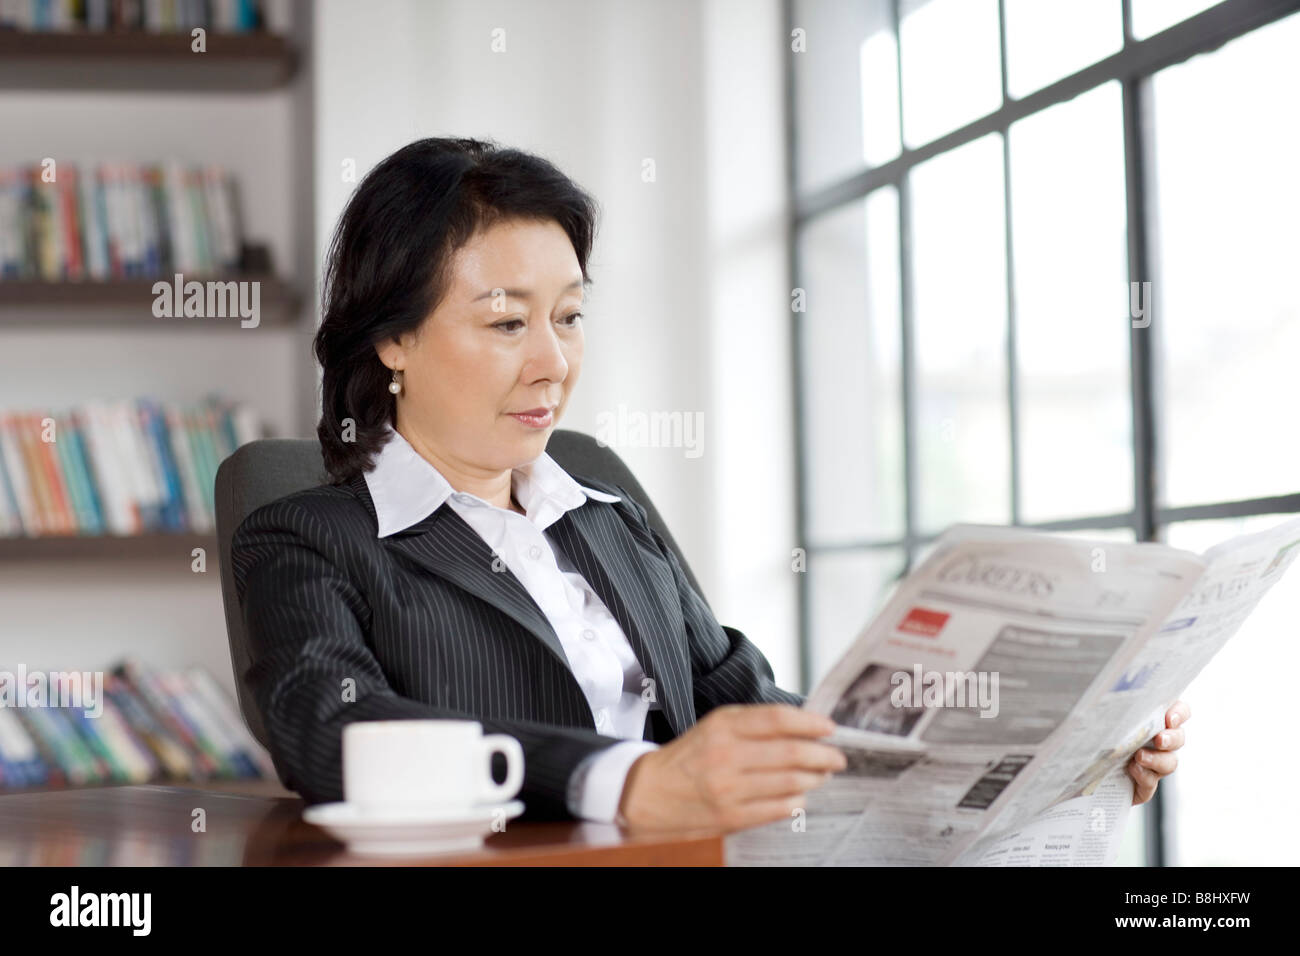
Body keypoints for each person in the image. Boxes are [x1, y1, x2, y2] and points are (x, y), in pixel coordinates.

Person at [231, 136, 1185, 834]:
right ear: (392, 336)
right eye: (506, 323)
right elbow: (335, 730)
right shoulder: (304, 539)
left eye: (569, 316)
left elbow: (754, 714)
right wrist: (626, 783)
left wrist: (1055, 755)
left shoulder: (605, 516)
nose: (554, 363)